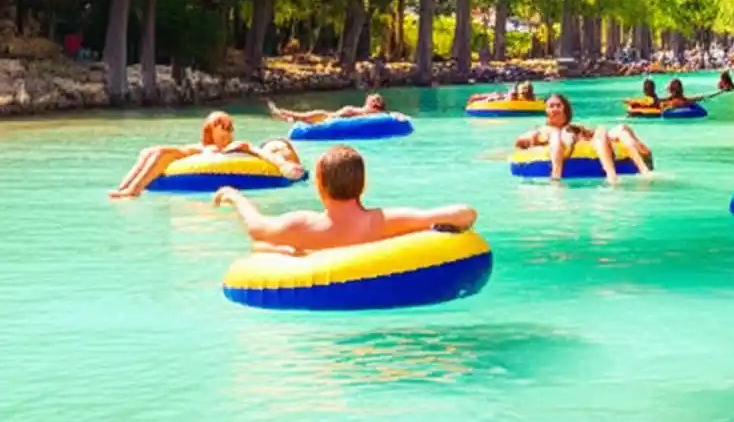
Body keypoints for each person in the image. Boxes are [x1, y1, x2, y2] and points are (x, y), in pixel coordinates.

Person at [213, 144, 477, 255]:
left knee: (268, 249)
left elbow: (256, 228)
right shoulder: (383, 222)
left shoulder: (302, 225)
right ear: (363, 185)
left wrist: (234, 196)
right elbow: (465, 213)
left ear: (320, 186)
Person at [109, 111, 305, 198]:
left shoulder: (237, 146)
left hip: (193, 160)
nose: (228, 133)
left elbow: (257, 151)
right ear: (210, 131)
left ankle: (132, 191)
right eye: (223, 129)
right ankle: (125, 186)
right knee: (150, 151)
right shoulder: (202, 146)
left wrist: (283, 166)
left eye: (229, 129)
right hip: (187, 157)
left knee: (160, 153)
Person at [514, 93, 653, 184]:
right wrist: (531, 141)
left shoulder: (574, 129)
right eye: (551, 106)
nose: (555, 108)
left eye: (558, 105)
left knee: (611, 129)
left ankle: (629, 172)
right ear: (546, 111)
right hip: (557, 150)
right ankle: (555, 179)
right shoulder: (542, 130)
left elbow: (592, 135)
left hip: (581, 144)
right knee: (556, 134)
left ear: (564, 109)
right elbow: (520, 141)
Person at [267, 93, 405, 124]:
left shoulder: (375, 112)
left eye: (373, 98)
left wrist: (400, 116)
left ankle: (281, 113)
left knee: (303, 117)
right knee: (303, 117)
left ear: (376, 104)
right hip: (332, 116)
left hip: (333, 119)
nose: (369, 97)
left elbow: (391, 114)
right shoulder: (367, 109)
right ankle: (282, 114)